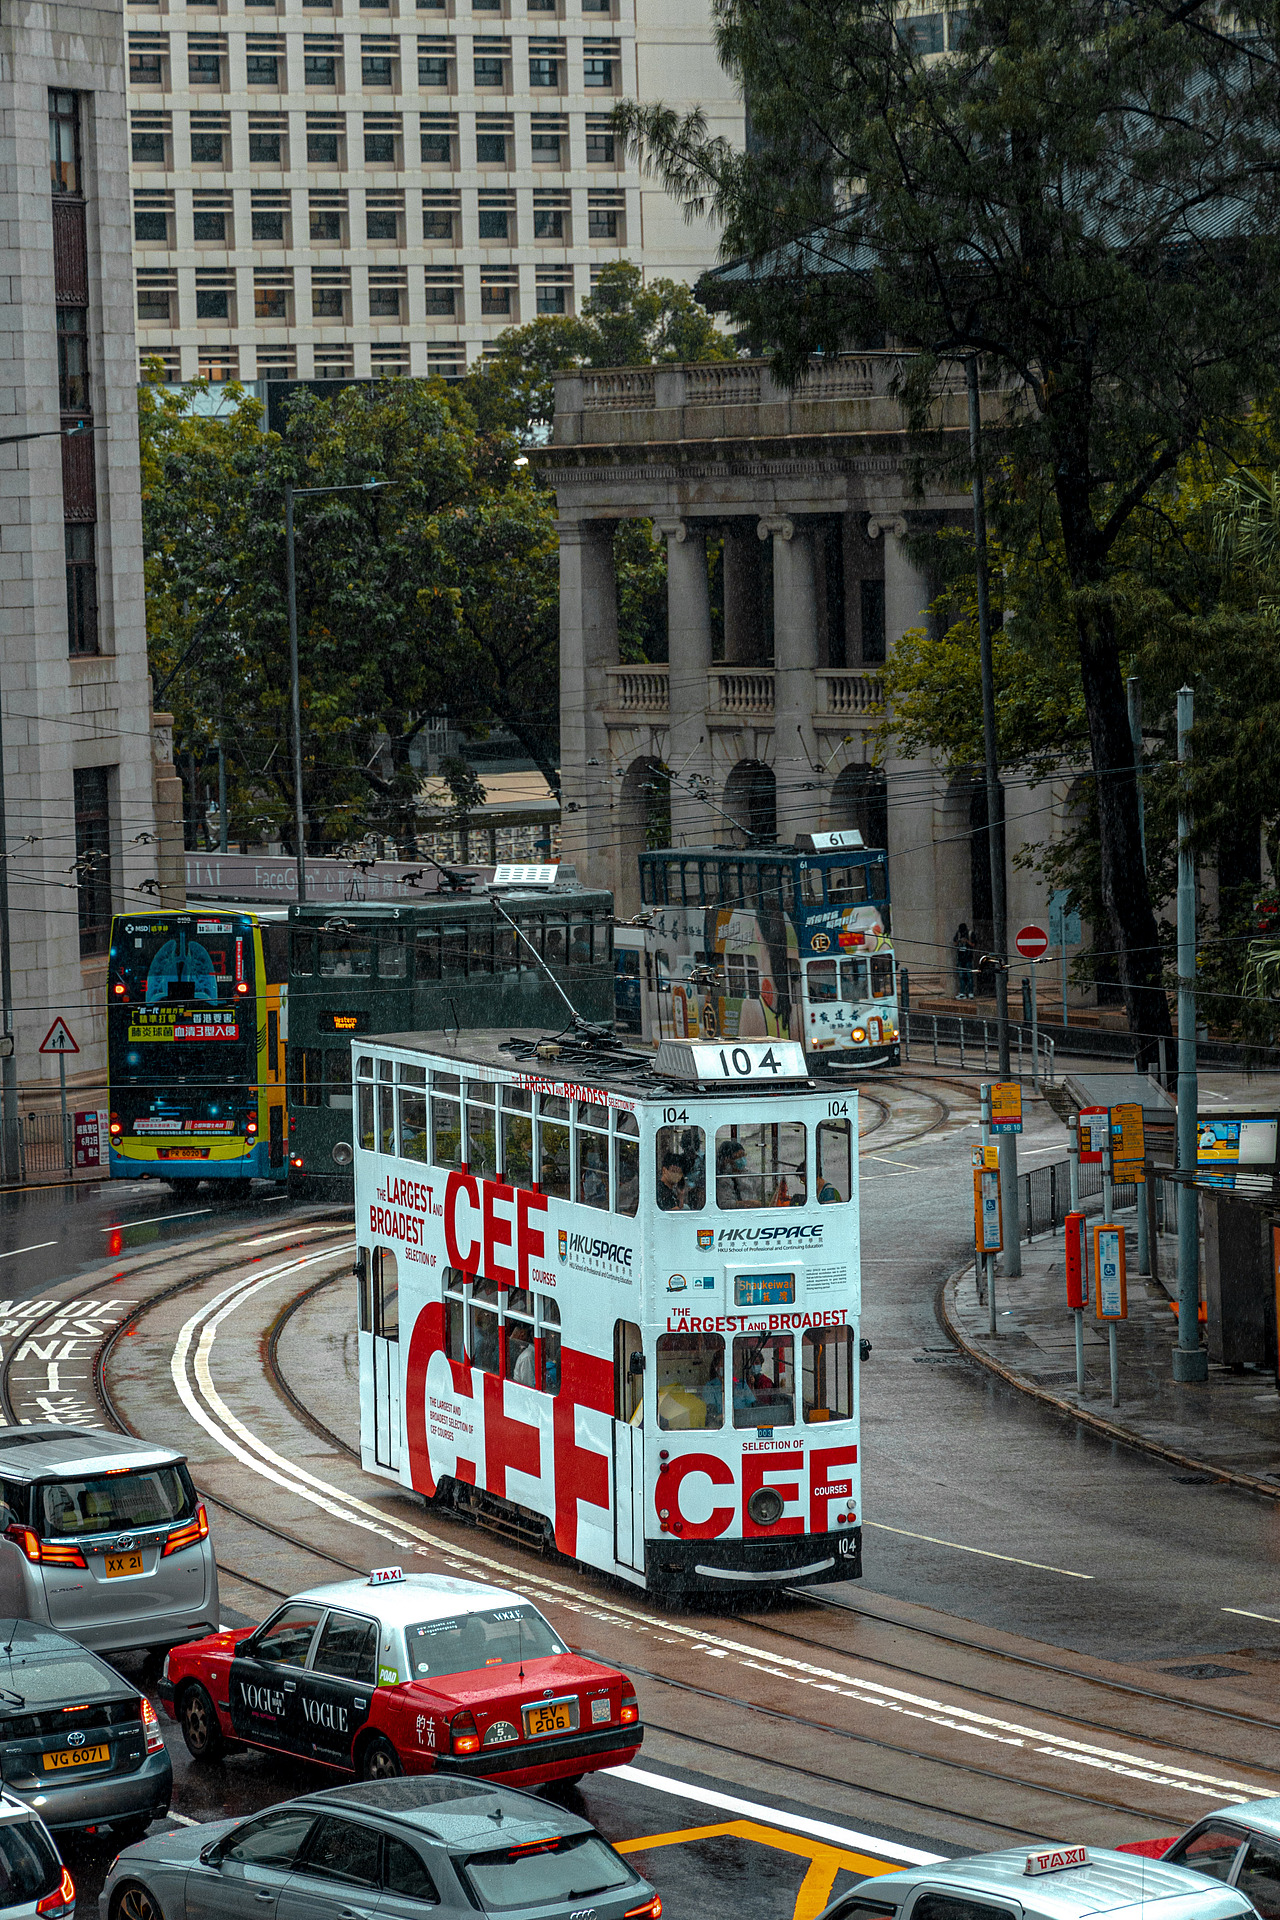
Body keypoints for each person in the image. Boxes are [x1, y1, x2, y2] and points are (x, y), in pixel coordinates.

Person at [953, 923, 975, 999]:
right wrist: (959, 941)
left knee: (969, 976)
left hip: (968, 957)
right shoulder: (958, 934)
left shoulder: (970, 933)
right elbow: (954, 943)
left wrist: (967, 941)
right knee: (961, 976)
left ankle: (970, 992)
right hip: (960, 958)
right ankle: (962, 992)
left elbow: (973, 945)